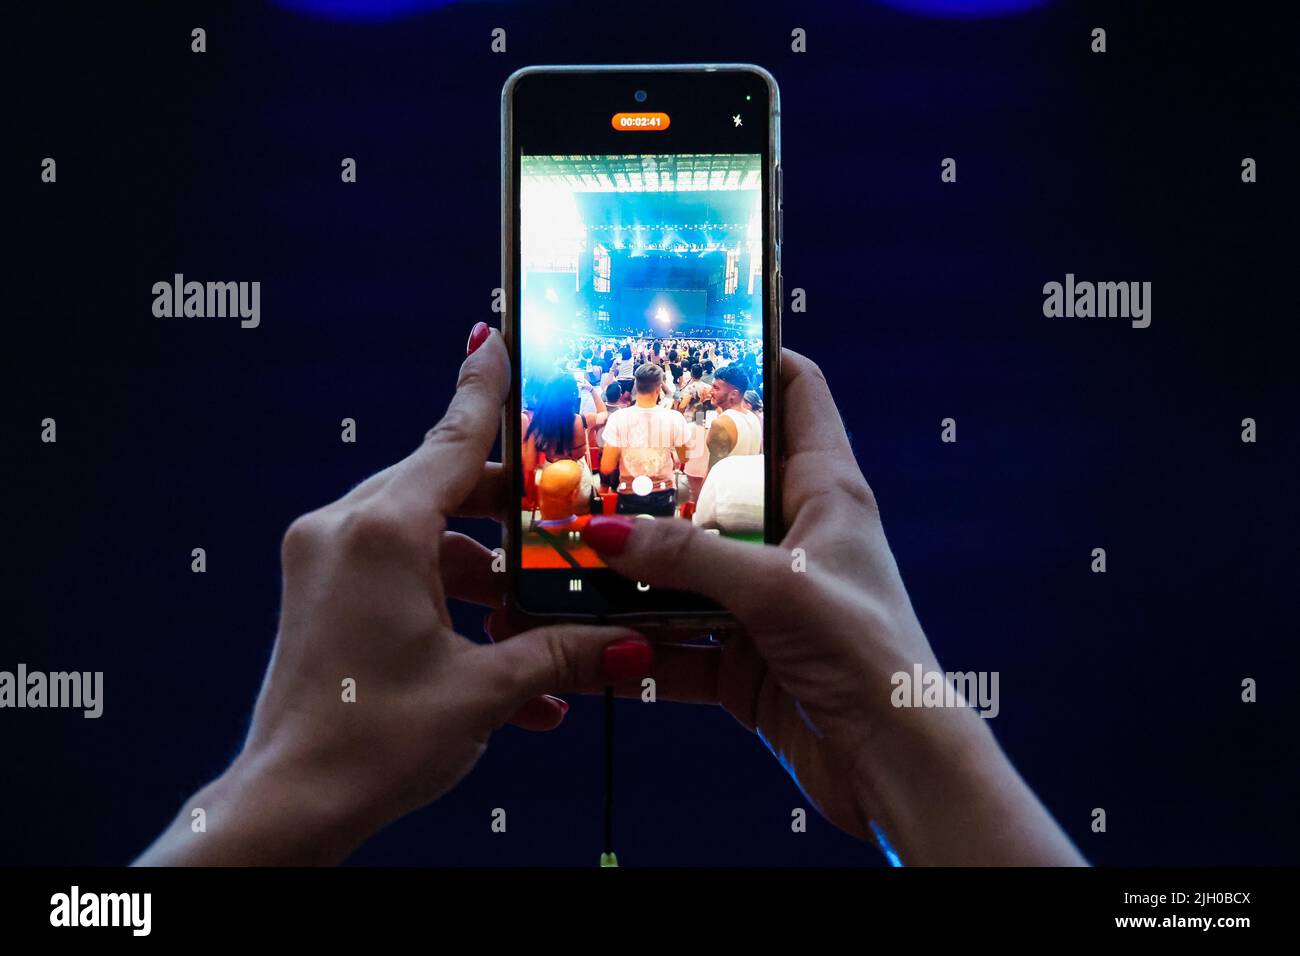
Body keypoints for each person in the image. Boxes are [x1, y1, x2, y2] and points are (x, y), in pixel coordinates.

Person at [136, 322, 1085, 867]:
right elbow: (677, 479)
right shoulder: (684, 425)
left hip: (604, 513)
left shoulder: (597, 423)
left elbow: (599, 464)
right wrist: (911, 759)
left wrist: (272, 798)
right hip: (671, 515)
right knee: (671, 550)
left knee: (582, 560)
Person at [599, 363, 689, 517]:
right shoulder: (674, 418)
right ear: (659, 388)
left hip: (629, 493)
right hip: (664, 493)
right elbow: (684, 457)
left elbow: (607, 467)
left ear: (636, 385)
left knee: (631, 540)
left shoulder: (618, 418)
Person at [705, 364, 762, 470]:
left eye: (716, 388)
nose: (710, 392)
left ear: (734, 394)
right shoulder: (753, 417)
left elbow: (713, 470)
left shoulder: (721, 423)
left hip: (727, 484)